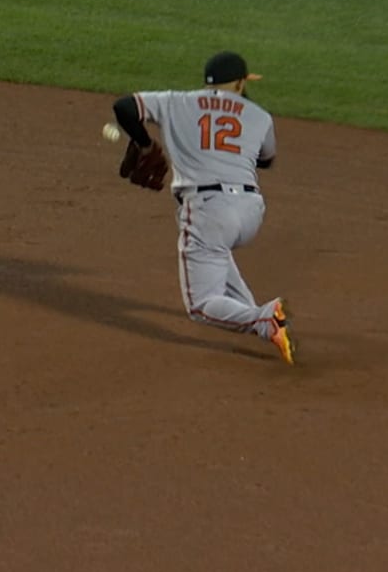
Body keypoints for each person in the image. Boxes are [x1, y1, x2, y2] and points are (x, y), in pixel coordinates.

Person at [112, 51, 295, 364]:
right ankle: (257, 318)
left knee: (201, 304)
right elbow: (266, 160)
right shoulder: (259, 116)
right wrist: (240, 107)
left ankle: (263, 319)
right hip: (250, 211)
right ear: (240, 83)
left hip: (210, 210)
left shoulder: (176, 102)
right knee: (215, 251)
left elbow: (124, 106)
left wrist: (145, 143)